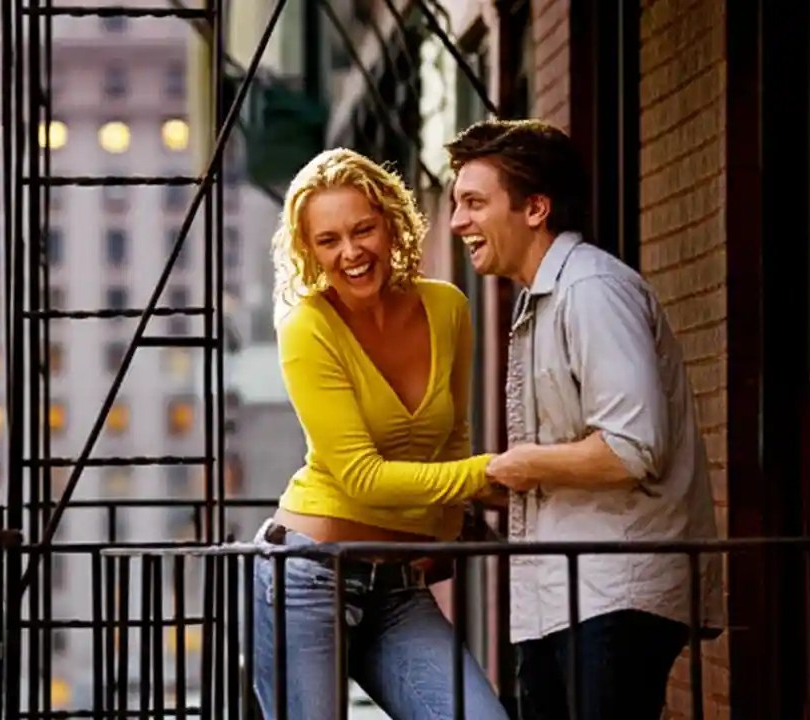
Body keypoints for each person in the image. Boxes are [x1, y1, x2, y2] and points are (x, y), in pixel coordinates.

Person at [445, 118, 724, 720]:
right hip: (561, 596)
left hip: (612, 596)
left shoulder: (592, 289)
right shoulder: (544, 296)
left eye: (473, 202)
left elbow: (630, 448)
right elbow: (570, 462)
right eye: (455, 203)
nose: (456, 222)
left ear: (535, 208)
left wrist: (516, 465)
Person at [251, 147, 511, 720]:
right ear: (309, 251)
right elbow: (361, 477)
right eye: (328, 240)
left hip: (396, 582)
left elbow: (452, 440)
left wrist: (443, 537)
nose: (351, 253)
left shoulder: (447, 307)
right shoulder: (307, 328)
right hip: (306, 575)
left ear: (391, 223)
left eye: (363, 229)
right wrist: (488, 475)